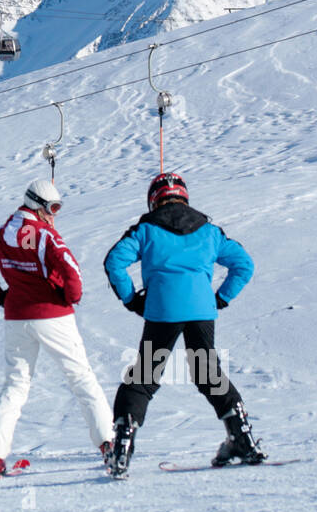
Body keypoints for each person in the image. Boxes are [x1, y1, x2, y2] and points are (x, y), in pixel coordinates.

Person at [102, 172, 261, 478]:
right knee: (207, 372)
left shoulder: (145, 229)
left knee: (144, 376)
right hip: (202, 310)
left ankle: (122, 445)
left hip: (162, 309)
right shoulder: (209, 230)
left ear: (153, 199)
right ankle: (240, 436)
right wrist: (221, 298)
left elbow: (114, 263)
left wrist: (132, 299)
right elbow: (244, 264)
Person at [0, 178, 115, 479]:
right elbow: (72, 270)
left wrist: (1, 297)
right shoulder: (45, 234)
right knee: (81, 378)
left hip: (17, 318)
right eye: (53, 208)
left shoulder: (1, 234)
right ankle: (109, 447)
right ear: (38, 204)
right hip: (53, 316)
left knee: (15, 385)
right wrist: (70, 298)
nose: (55, 214)